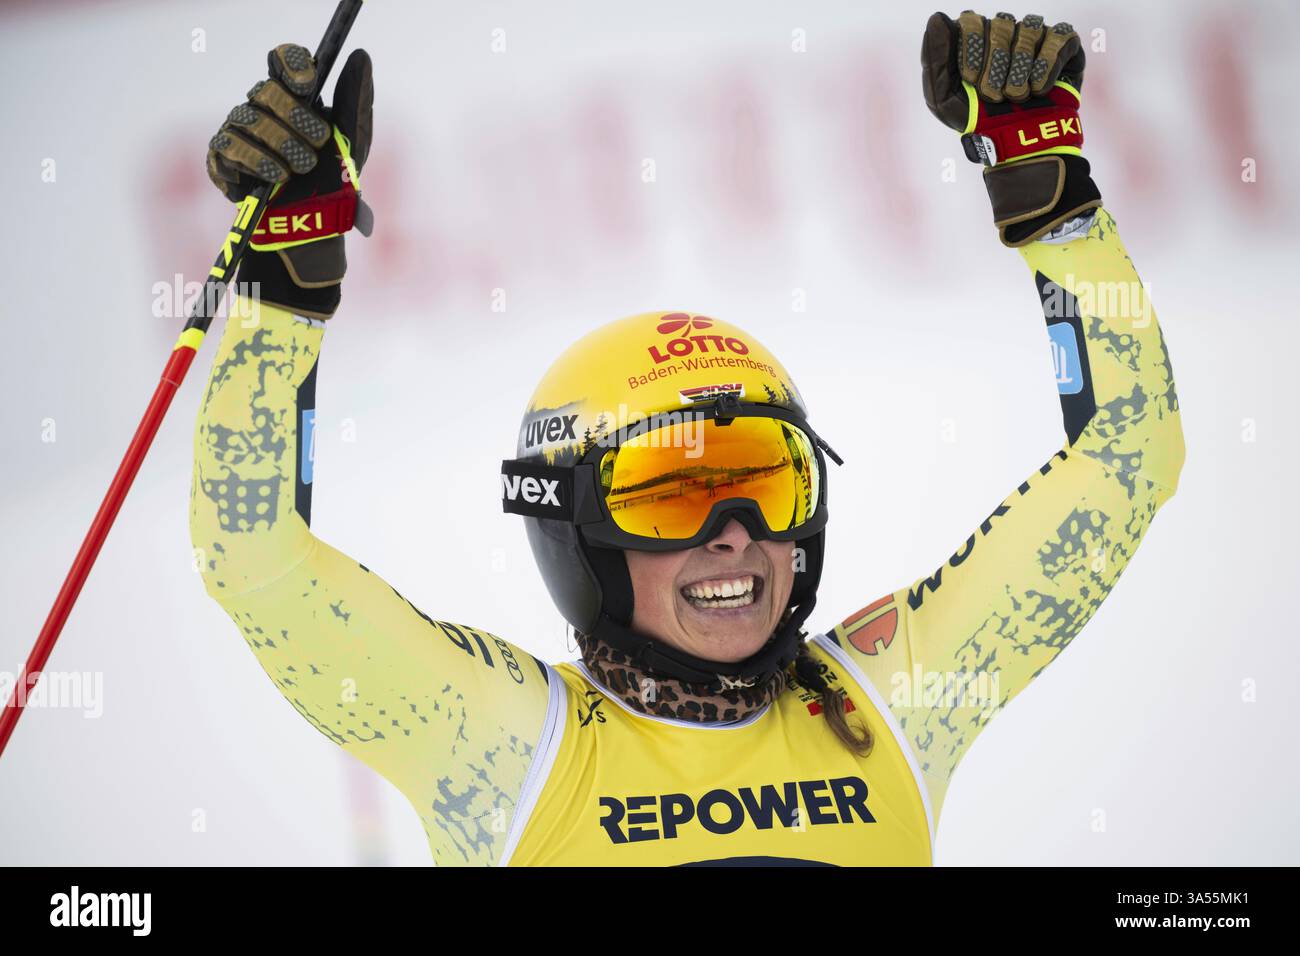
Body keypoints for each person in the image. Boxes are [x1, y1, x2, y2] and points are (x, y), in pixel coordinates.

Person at [192, 11, 1185, 866]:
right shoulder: (504, 742)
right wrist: (282, 292)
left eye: (769, 479)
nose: (736, 532)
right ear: (575, 530)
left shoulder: (893, 698)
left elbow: (1131, 454)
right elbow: (253, 556)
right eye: (670, 492)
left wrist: (1051, 198)